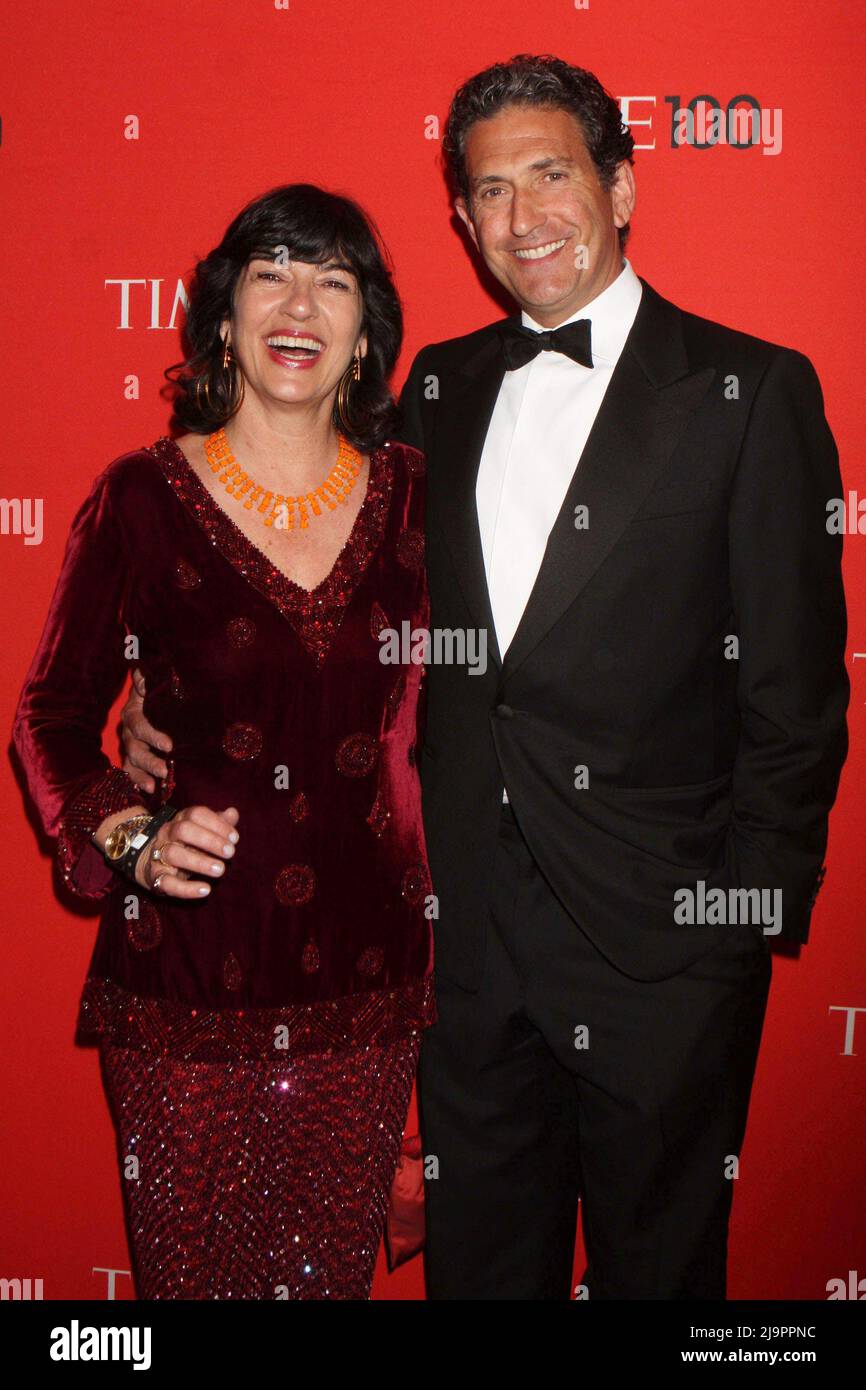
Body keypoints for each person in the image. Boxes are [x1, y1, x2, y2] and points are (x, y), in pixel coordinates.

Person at [121, 56, 849, 1301]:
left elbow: (793, 698)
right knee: (480, 1274)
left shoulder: (749, 392)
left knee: (661, 1276)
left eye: (551, 176)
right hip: (461, 955)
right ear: (460, 219)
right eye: (489, 190)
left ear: (619, 186)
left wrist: (729, 936)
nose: (523, 218)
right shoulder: (439, 391)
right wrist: (181, 709)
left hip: (661, 955)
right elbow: (331, 610)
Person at [13, 182, 435, 1300]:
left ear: (363, 332)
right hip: (185, 980)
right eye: (271, 272)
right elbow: (50, 715)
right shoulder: (139, 500)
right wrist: (131, 835)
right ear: (222, 318)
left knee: (324, 1282)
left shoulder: (415, 502)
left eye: (332, 279)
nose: (299, 303)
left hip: (368, 973)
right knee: (191, 1281)